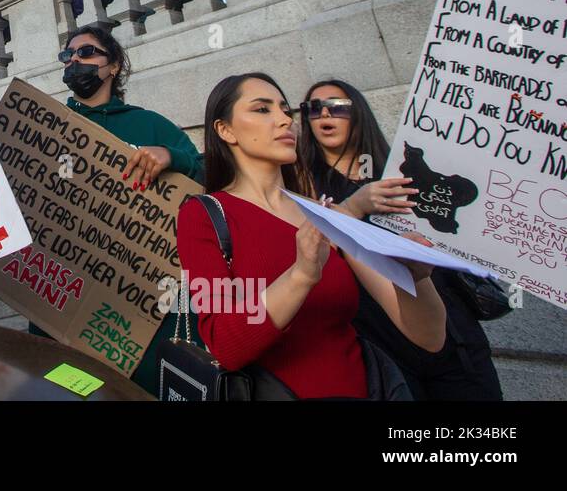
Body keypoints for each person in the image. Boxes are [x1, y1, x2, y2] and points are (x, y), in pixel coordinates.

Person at [177, 73, 446, 399]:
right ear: (225, 130)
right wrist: (301, 275)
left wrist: (416, 278)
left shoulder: (324, 215)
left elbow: (428, 336)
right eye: (262, 110)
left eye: (285, 110)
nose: (283, 120)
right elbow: (226, 346)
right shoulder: (202, 215)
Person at [298, 79, 503, 400]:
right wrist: (354, 206)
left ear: (358, 113)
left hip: (453, 335)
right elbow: (314, 256)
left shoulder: (401, 170)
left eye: (337, 105)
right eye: (313, 108)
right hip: (381, 346)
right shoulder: (305, 185)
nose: (324, 113)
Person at [40, 25, 205, 395]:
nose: (75, 61)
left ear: (113, 66)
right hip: (63, 284)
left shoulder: (149, 124)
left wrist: (171, 157)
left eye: (87, 53)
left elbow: (207, 174)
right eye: (68, 56)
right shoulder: (48, 123)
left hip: (135, 294)